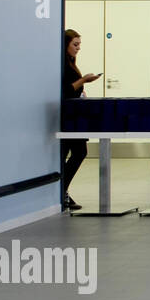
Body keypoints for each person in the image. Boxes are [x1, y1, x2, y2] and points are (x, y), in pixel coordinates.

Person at [61, 29, 101, 211]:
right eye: (75, 45)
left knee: (76, 153)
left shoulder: (71, 64)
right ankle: (62, 190)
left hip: (74, 115)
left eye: (79, 45)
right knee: (77, 152)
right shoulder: (62, 65)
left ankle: (63, 190)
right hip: (67, 118)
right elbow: (65, 90)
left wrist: (82, 88)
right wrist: (83, 80)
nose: (78, 49)